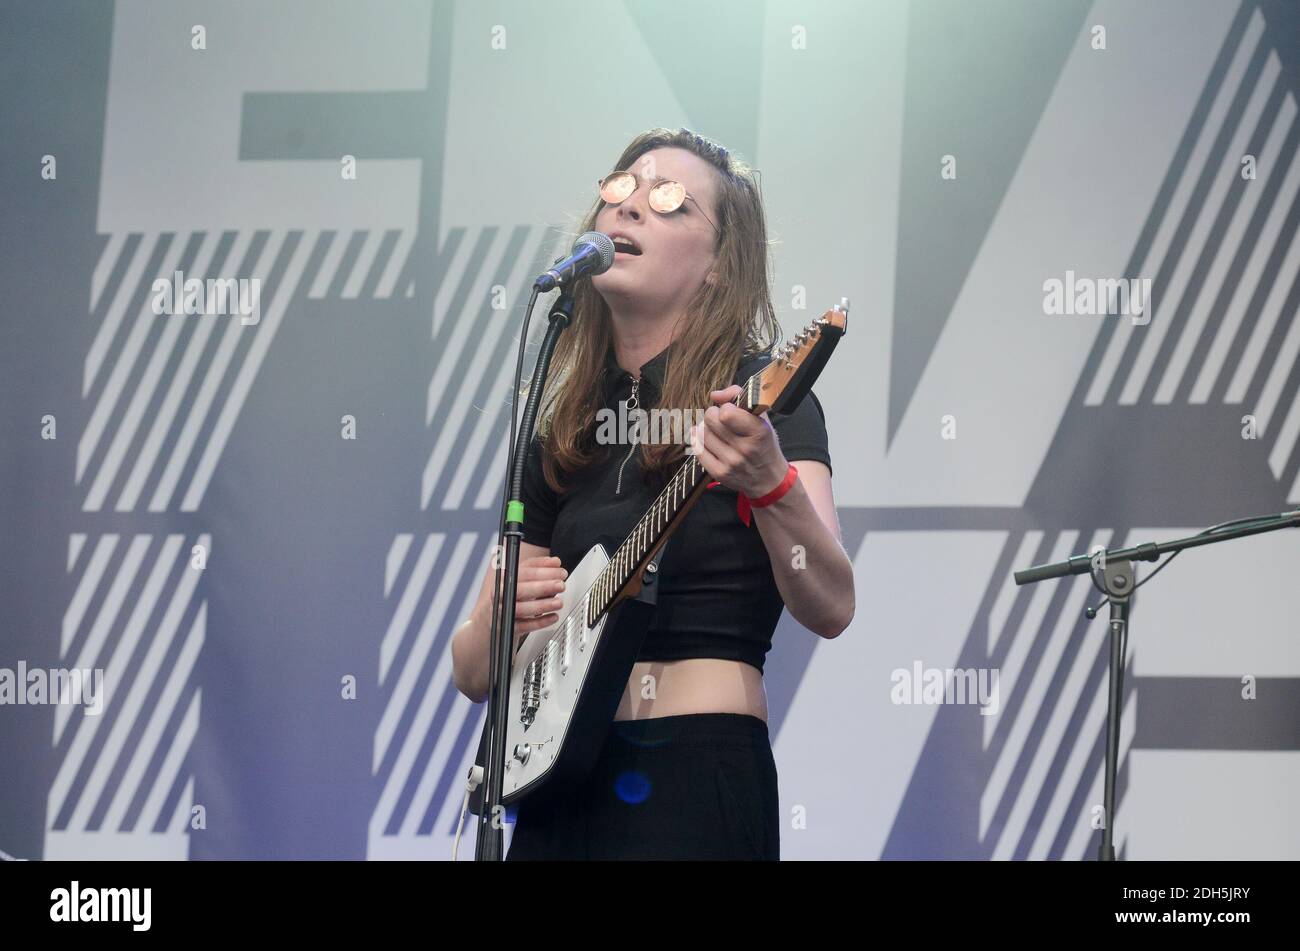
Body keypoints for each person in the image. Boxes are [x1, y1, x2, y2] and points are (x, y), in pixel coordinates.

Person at [450, 127, 854, 860]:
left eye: (670, 201)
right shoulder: (562, 427)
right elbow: (472, 672)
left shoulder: (759, 401)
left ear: (715, 267)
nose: (632, 206)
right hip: (558, 780)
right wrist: (497, 618)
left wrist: (773, 487)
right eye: (621, 189)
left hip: (695, 777)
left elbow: (831, 603)